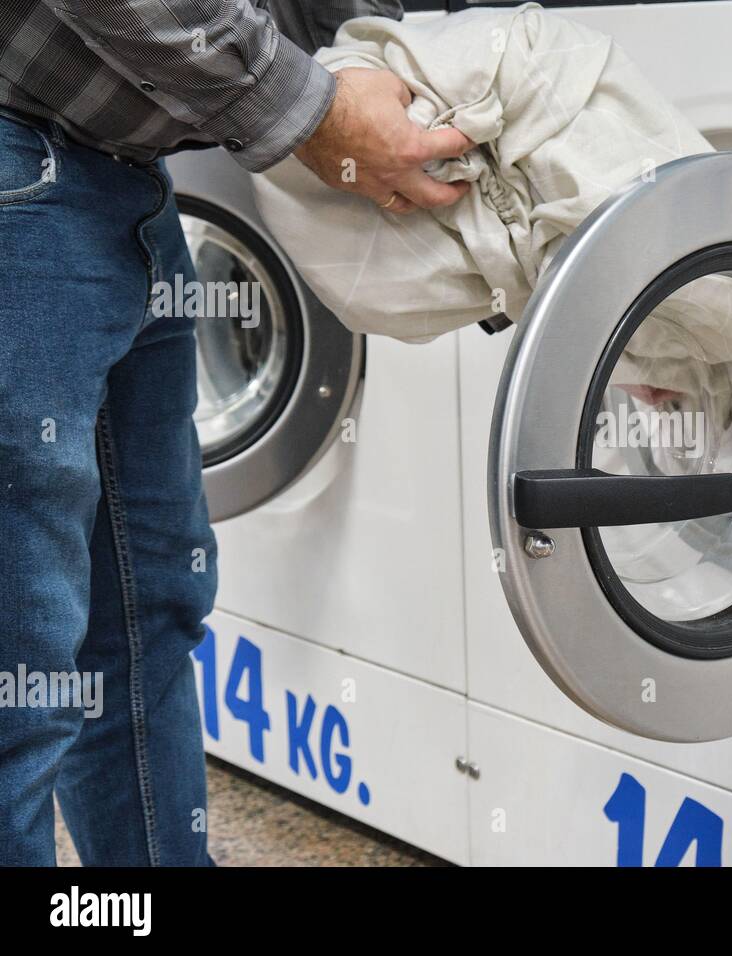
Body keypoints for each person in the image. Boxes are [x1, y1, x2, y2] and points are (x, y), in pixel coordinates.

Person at [0, 0, 473, 866]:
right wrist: (314, 108)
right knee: (18, 681)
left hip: (124, 183)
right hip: (20, 169)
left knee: (143, 621)